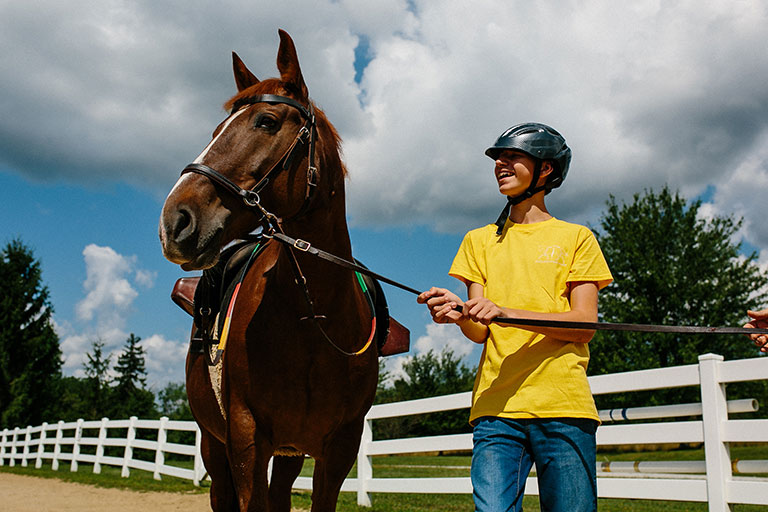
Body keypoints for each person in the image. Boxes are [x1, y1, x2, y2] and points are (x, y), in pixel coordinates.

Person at [418, 123, 613, 512]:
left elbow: (584, 325)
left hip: (562, 407)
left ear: (545, 170)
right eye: (497, 159)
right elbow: (480, 331)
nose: (500, 165)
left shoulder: (577, 238)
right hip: (496, 410)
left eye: (512, 157)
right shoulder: (478, 240)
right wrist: (459, 314)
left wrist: (506, 311)